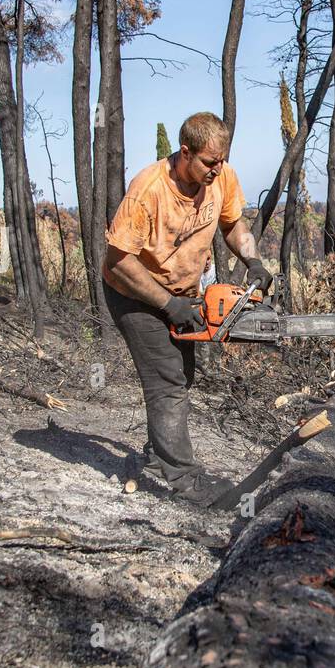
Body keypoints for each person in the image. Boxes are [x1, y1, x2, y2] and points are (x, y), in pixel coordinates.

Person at [102, 112, 273, 503]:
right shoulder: (149, 189)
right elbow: (118, 260)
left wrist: (255, 261)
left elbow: (232, 224)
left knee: (182, 376)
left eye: (222, 160)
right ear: (185, 152)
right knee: (168, 382)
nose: (218, 169)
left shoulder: (221, 177)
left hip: (182, 293)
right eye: (210, 162)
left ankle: (155, 456)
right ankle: (185, 481)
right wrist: (166, 303)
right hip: (135, 291)